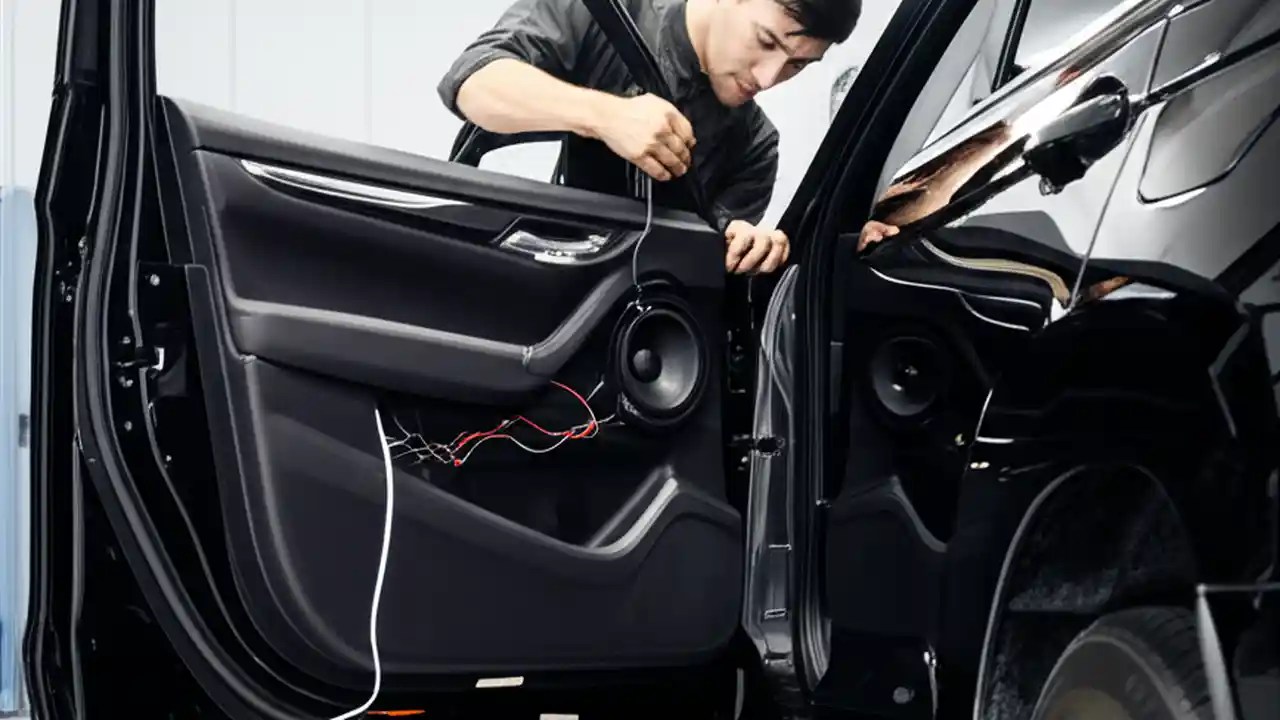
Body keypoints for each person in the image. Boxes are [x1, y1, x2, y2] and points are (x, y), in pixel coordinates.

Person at [438, 0, 863, 275]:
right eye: (766, 41)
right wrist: (604, 115)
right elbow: (472, 81)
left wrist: (750, 250)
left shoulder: (755, 149)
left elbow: (702, 275)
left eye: (798, 65)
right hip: (506, 289)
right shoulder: (602, 11)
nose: (769, 78)